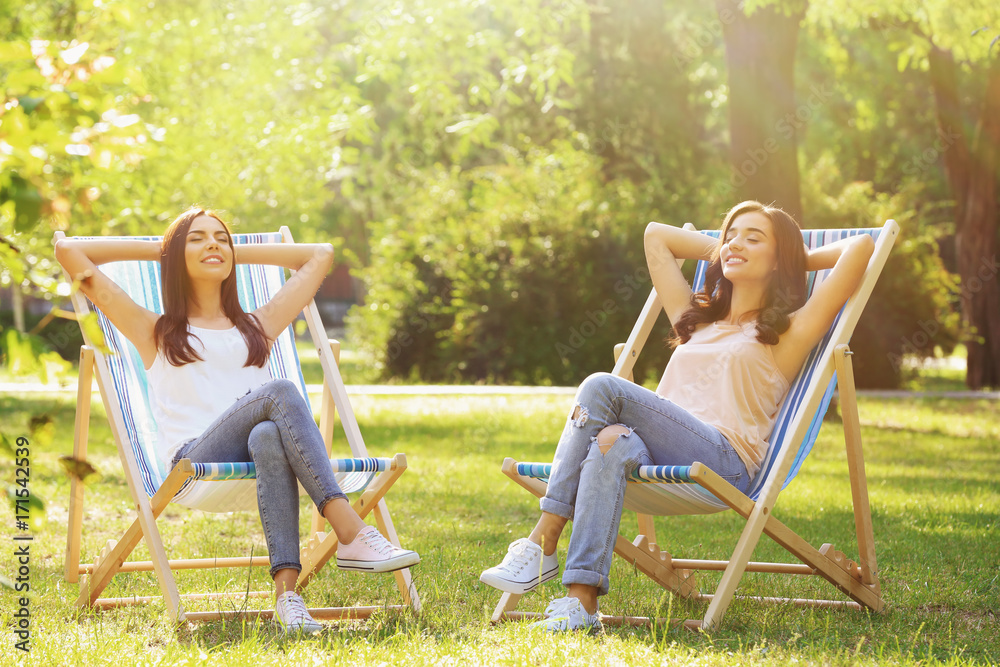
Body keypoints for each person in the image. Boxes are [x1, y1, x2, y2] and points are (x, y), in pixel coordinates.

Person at [479, 201, 875, 632]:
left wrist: (793, 259)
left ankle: (544, 540)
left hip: (725, 461)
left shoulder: (788, 332)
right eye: (732, 234)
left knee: (600, 386)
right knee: (608, 443)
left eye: (753, 238)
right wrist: (725, 248)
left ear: (779, 258)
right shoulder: (693, 320)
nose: (736, 243)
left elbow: (862, 247)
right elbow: (656, 235)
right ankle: (582, 604)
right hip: (657, 451)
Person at [55, 207, 420, 635]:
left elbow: (320, 254)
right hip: (193, 466)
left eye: (221, 238)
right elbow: (68, 250)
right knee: (280, 391)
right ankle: (349, 529)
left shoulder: (258, 326)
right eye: (198, 238)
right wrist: (167, 250)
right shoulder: (152, 329)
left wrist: (222, 254)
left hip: (261, 460)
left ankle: (288, 597)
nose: (213, 243)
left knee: (267, 434)